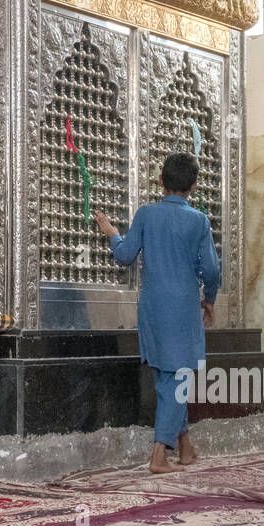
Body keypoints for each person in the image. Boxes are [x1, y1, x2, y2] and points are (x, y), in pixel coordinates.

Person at [95, 152, 220, 474]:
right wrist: (210, 298)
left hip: (151, 307)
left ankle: (185, 446)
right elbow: (211, 268)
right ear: (194, 185)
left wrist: (111, 231)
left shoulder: (147, 215)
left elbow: (123, 255)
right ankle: (158, 456)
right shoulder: (199, 221)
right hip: (182, 308)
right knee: (176, 379)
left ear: (160, 180)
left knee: (168, 377)